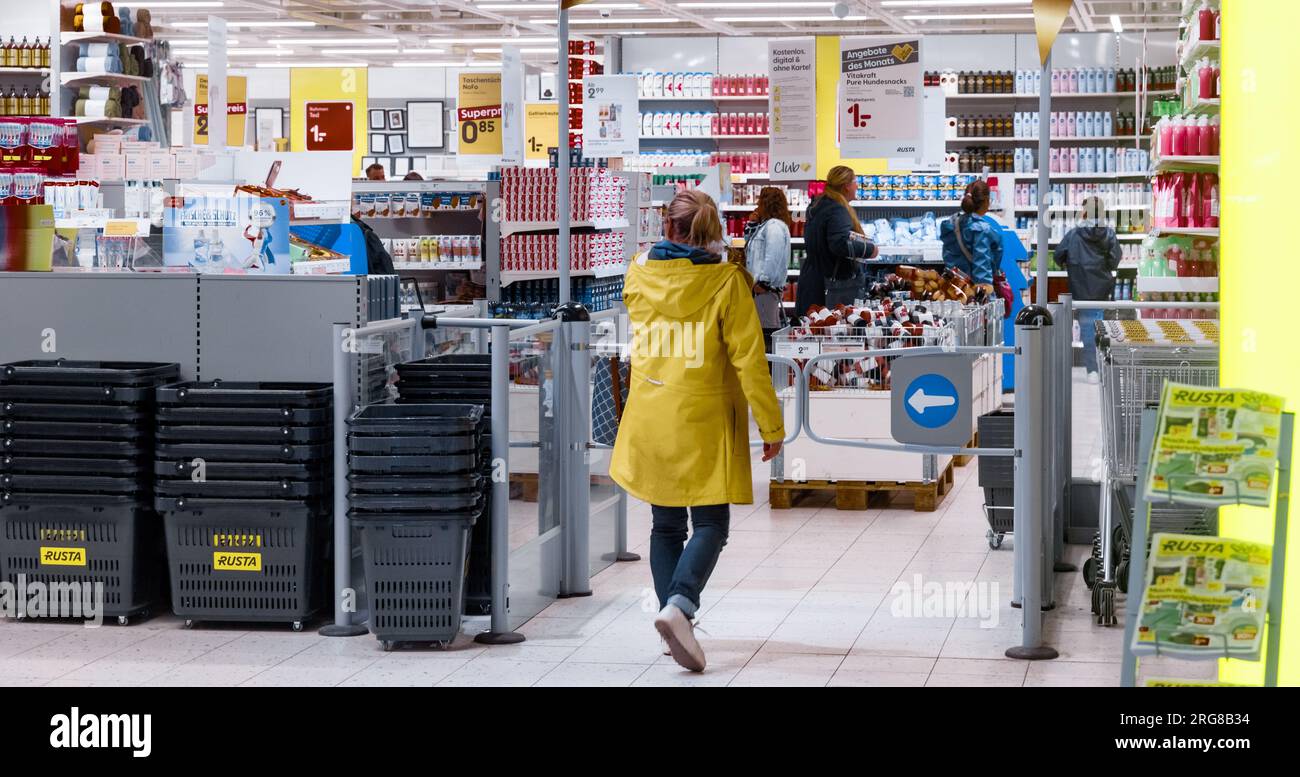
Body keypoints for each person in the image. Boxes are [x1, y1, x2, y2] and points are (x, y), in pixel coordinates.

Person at [610, 189, 785, 673]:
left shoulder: (638, 274)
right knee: (711, 525)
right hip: (703, 418)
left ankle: (673, 626)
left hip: (651, 413)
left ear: (667, 228)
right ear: (713, 234)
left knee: (665, 525)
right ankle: (680, 606)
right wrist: (771, 425)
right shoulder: (728, 283)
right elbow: (750, 362)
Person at [1056, 195, 1122, 383]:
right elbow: (1115, 259)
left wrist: (1069, 264)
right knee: (1100, 326)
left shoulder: (1073, 234)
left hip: (1080, 286)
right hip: (1102, 288)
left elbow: (1058, 255)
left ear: (1084, 213)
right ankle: (1102, 367)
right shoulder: (1108, 233)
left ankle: (1092, 370)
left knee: (1086, 327)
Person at [797, 165, 878, 316]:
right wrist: (870, 249)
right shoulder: (837, 210)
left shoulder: (818, 205)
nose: (857, 185)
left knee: (813, 330)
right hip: (830, 288)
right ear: (846, 186)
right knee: (831, 331)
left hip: (813, 280)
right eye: (855, 181)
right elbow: (839, 243)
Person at [743, 187, 793, 351]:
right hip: (762, 290)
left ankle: (770, 370)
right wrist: (752, 223)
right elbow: (750, 246)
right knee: (765, 328)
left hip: (765, 290)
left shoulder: (774, 226)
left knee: (766, 332)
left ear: (767, 203)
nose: (757, 204)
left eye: (760, 200)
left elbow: (774, 255)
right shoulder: (767, 225)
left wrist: (764, 282)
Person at [940, 179, 1000, 297]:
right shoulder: (982, 229)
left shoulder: (950, 224)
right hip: (976, 294)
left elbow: (949, 259)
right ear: (986, 201)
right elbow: (982, 268)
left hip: (953, 289)